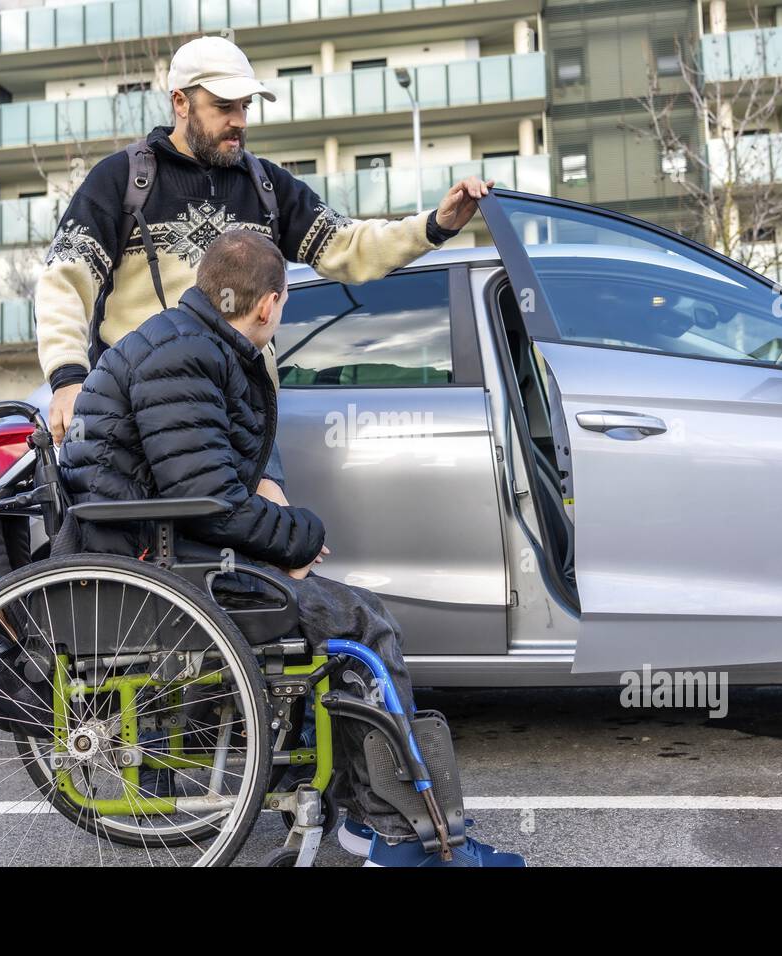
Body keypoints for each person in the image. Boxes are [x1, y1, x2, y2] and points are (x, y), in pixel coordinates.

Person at [61, 230, 525, 867]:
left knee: (341, 618)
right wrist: (298, 537)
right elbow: (209, 499)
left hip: (151, 555)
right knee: (365, 628)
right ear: (267, 306)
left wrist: (279, 539)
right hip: (159, 574)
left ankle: (369, 819)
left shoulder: (184, 342)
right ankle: (401, 836)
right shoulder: (187, 357)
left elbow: (201, 489)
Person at [34, 33, 492, 463]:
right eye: (222, 106)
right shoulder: (119, 181)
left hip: (245, 423)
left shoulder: (267, 186)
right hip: (142, 421)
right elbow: (64, 281)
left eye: (245, 106)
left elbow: (348, 245)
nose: (238, 120)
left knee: (262, 544)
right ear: (180, 102)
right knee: (145, 550)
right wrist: (68, 379)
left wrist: (434, 226)